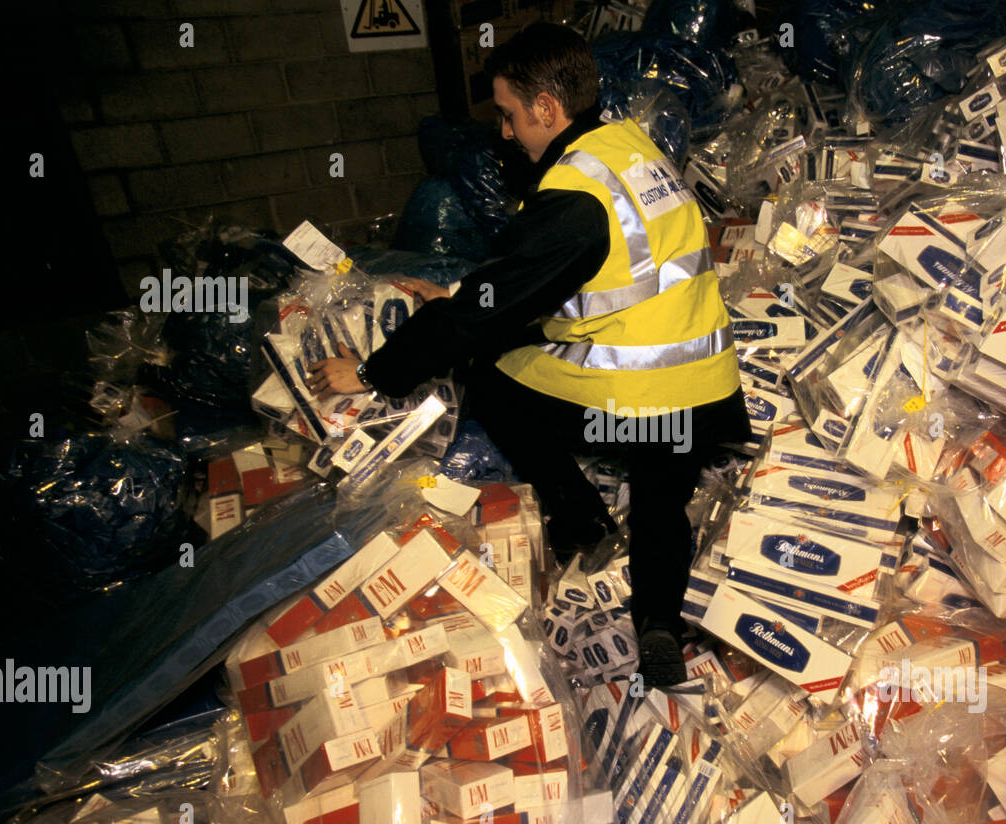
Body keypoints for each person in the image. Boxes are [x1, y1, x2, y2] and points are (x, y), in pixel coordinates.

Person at [309, 22, 749, 688]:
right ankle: (659, 625)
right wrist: (464, 291)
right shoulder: (632, 149)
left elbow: (486, 313)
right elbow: (550, 281)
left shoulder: (575, 194)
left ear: (548, 108)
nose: (507, 133)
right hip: (702, 403)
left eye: (510, 115)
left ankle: (578, 519)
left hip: (630, 409)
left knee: (487, 368)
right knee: (664, 499)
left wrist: (375, 373)